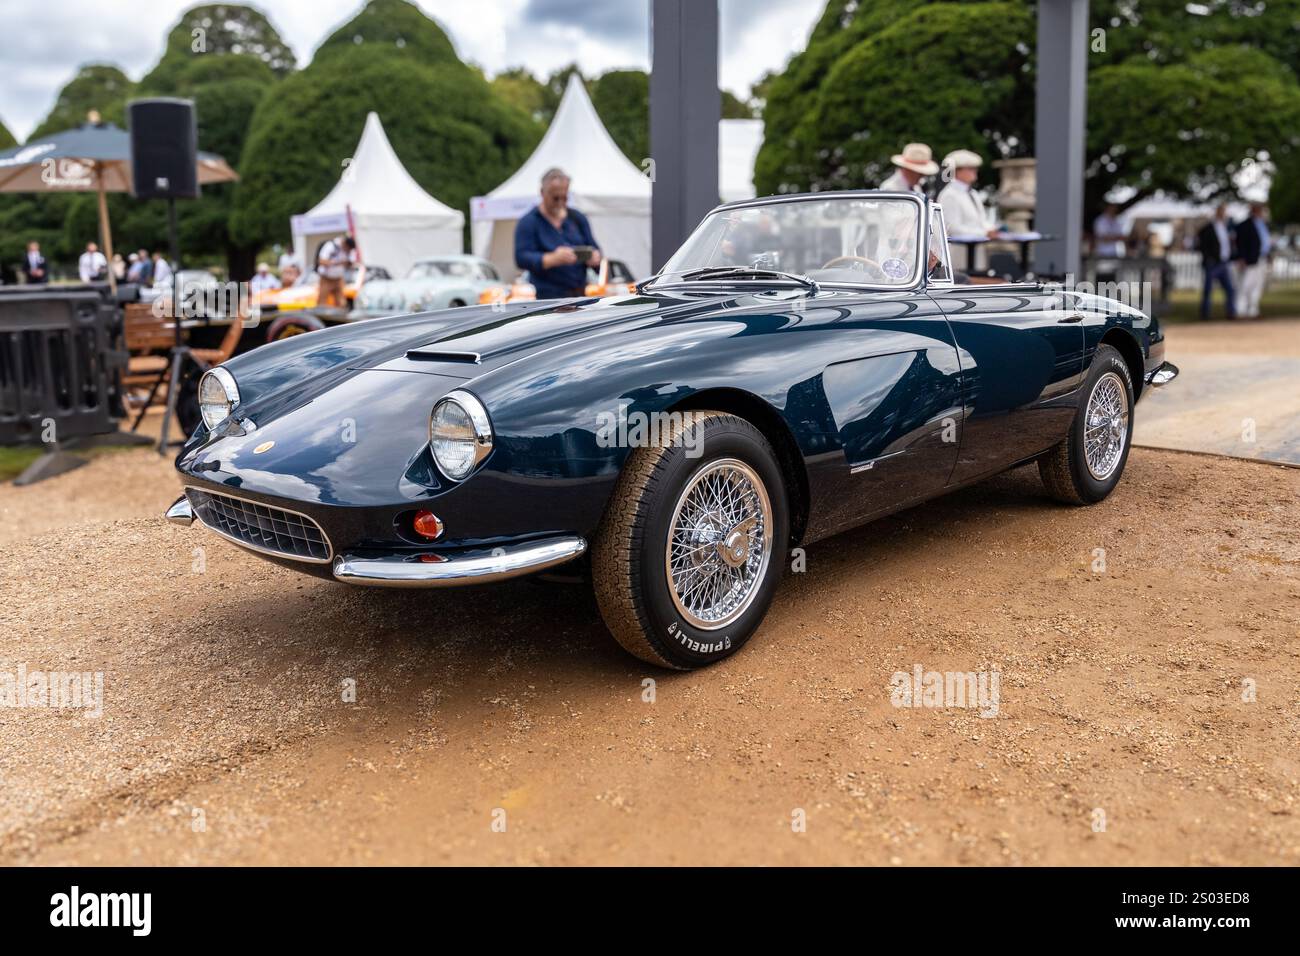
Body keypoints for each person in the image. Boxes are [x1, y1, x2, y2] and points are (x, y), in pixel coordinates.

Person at [514, 168, 601, 299]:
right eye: (555, 198)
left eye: (564, 197)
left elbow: (595, 248)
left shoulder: (578, 218)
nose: (560, 202)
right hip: (547, 299)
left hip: (580, 296)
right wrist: (552, 258)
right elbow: (521, 257)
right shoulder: (529, 222)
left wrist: (594, 257)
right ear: (542, 193)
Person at [937, 149, 997, 271]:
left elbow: (981, 220)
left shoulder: (972, 193)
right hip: (959, 258)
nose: (975, 171)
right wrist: (984, 233)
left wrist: (990, 229)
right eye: (969, 168)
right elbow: (953, 229)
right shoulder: (949, 195)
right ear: (956, 171)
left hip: (976, 254)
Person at [1196, 204, 1236, 321]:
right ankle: (1205, 314)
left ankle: (1231, 312)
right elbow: (1202, 245)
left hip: (1223, 262)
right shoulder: (1208, 228)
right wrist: (1209, 258)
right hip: (1212, 263)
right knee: (1208, 290)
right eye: (1222, 212)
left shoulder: (1225, 227)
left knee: (1230, 289)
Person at [1234, 202, 1271, 319]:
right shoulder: (1244, 225)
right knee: (1245, 285)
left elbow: (1265, 242)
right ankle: (1240, 310)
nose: (1262, 213)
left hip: (1262, 258)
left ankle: (1253, 310)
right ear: (1254, 211)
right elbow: (1240, 243)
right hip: (1249, 260)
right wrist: (1242, 258)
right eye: (1260, 210)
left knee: (1257, 285)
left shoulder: (1263, 224)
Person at [316, 235, 353, 308]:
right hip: (326, 279)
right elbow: (321, 261)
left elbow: (350, 262)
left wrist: (348, 263)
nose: (348, 251)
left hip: (338, 279)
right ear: (345, 244)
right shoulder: (330, 246)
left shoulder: (347, 251)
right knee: (322, 302)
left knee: (341, 303)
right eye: (347, 249)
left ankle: (340, 318)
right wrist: (337, 263)